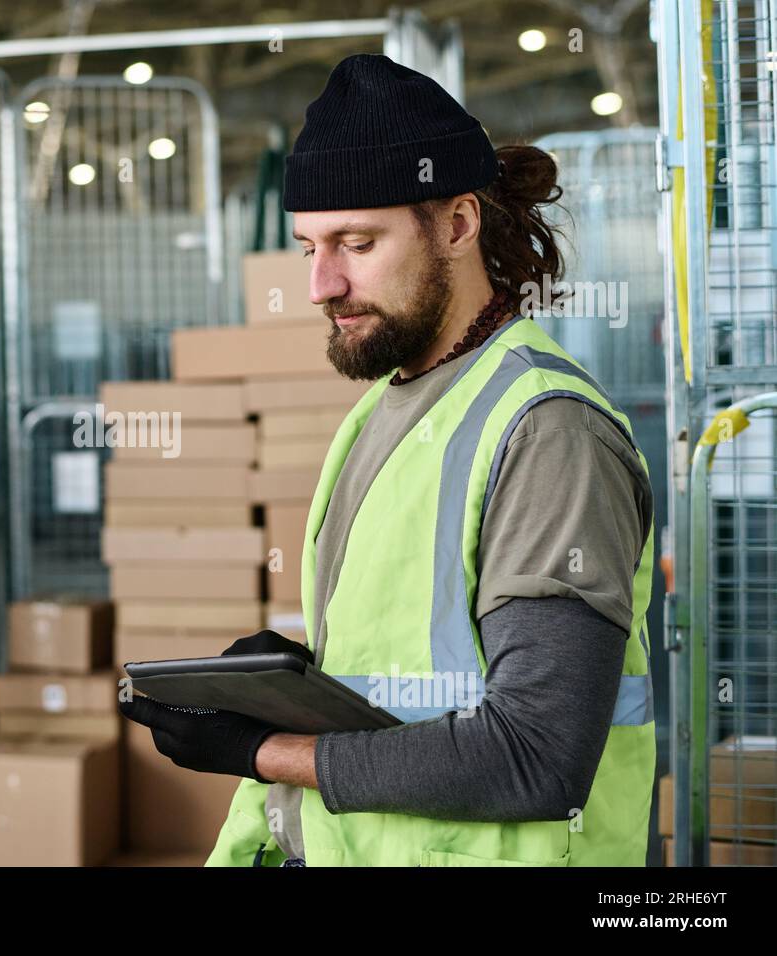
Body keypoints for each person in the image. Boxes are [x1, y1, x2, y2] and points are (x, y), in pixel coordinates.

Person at [119, 53, 656, 867]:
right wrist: (294, 681)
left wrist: (262, 749)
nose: (321, 286)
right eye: (308, 249)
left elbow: (536, 756)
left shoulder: (550, 433)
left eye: (356, 243)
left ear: (457, 224)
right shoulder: (392, 401)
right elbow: (424, 661)